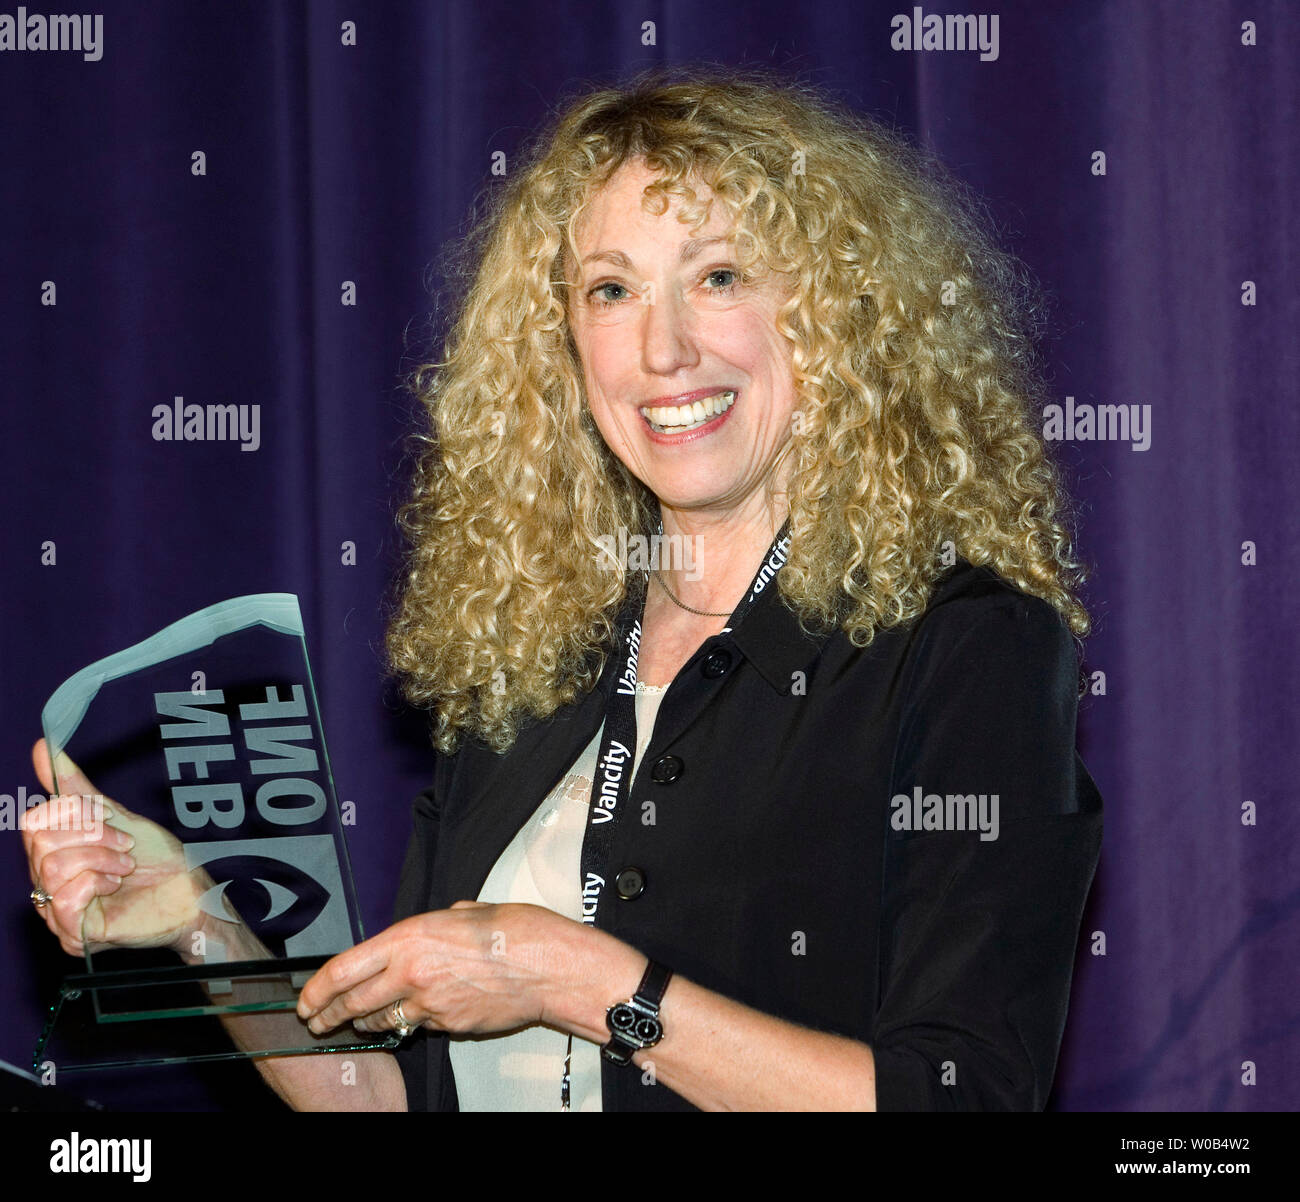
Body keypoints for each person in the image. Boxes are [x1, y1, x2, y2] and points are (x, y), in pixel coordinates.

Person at [23, 69, 1102, 1111]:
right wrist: (199, 922)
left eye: (718, 276)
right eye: (611, 289)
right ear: (563, 344)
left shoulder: (967, 648)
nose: (663, 347)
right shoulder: (538, 651)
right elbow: (393, 1090)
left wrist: (581, 983)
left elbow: (959, 1095)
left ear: (839, 313)